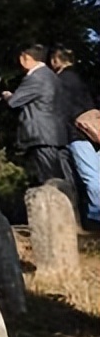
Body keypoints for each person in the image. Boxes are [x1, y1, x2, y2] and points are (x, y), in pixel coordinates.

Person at [3, 44, 76, 194]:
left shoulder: (35, 77)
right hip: (57, 135)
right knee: (64, 180)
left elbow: (14, 102)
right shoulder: (52, 76)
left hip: (41, 135)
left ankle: (55, 215)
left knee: (51, 182)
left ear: (26, 58)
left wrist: (8, 96)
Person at [51, 47, 100, 228]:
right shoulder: (83, 78)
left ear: (57, 60)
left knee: (90, 176)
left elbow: (62, 111)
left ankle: (96, 216)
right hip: (94, 133)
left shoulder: (61, 81)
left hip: (77, 134)